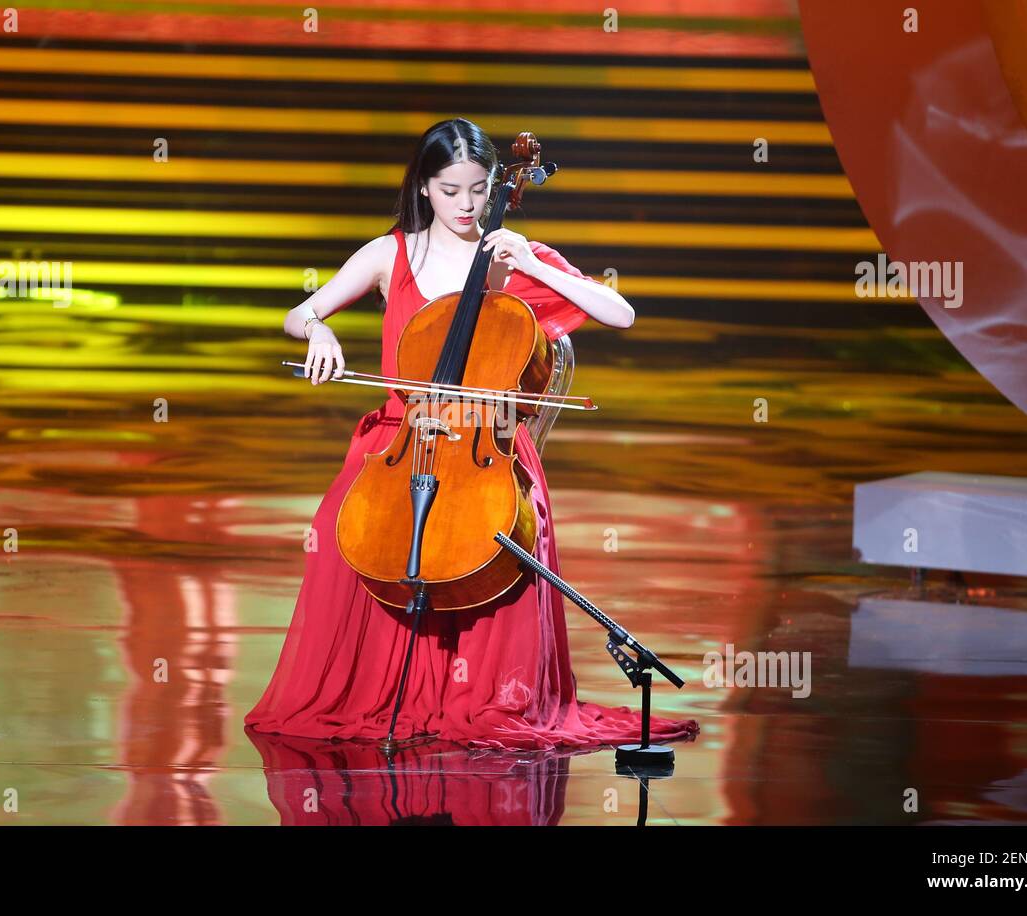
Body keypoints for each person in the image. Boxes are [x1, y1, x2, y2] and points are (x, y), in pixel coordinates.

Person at [244, 118, 698, 751]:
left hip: (487, 450)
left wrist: (534, 262)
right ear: (425, 188)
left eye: (479, 190)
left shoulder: (510, 257)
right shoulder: (390, 253)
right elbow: (302, 311)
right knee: (341, 520)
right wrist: (319, 330)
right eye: (450, 190)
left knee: (508, 521)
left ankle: (482, 696)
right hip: (401, 439)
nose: (466, 205)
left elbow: (619, 313)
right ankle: (381, 689)